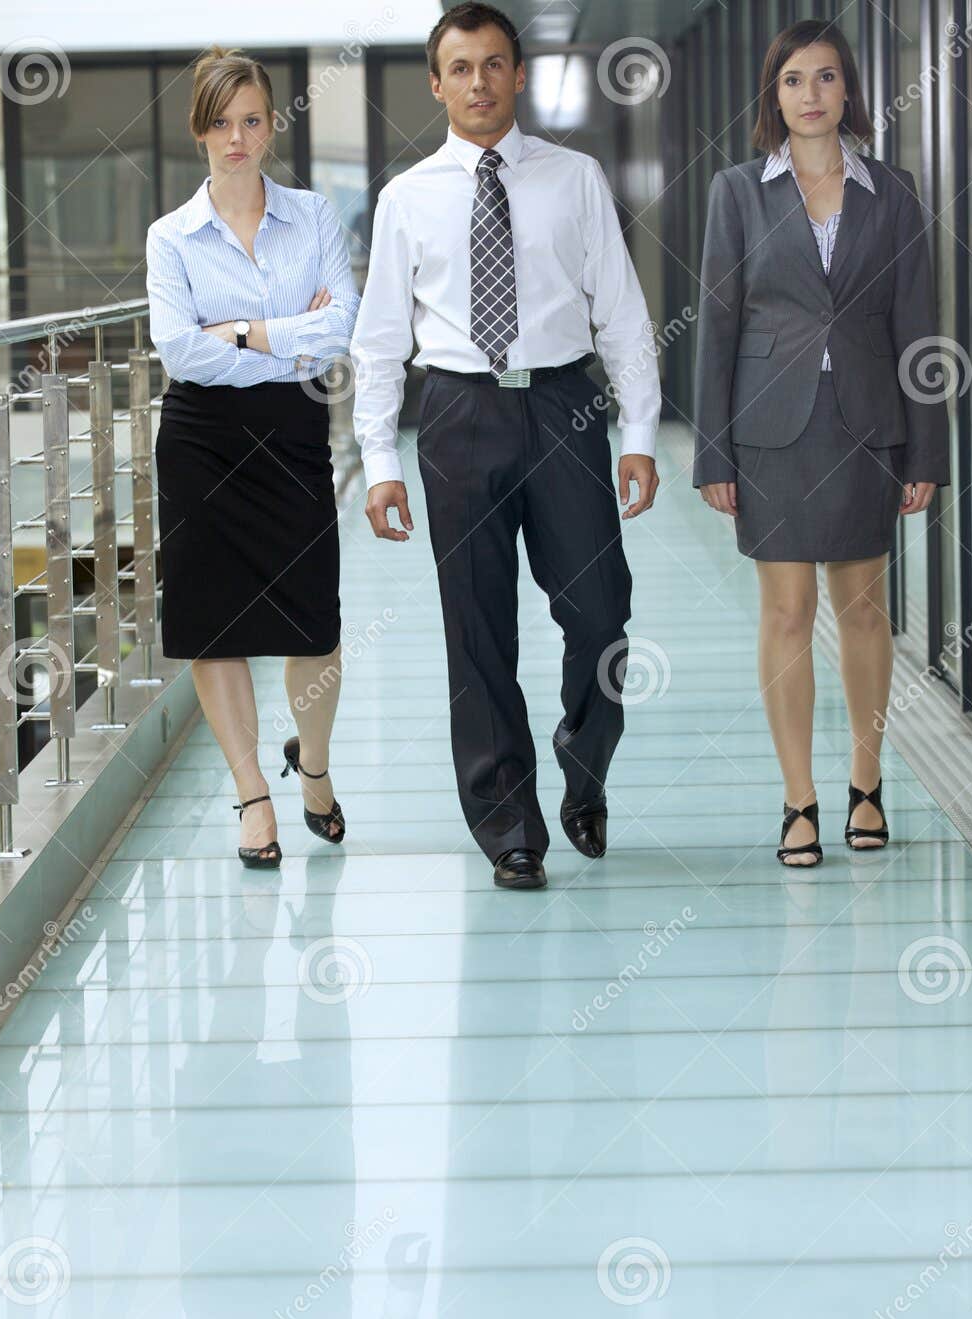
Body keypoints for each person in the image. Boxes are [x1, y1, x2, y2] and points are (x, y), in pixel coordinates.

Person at [349, 2, 661, 890]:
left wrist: (638, 433)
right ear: (437, 82)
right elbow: (377, 344)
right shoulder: (406, 199)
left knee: (600, 614)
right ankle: (510, 827)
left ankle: (584, 763)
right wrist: (378, 464)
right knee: (476, 630)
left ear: (518, 76)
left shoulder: (576, 178)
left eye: (494, 64)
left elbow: (625, 317)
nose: (478, 82)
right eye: (461, 67)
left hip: (564, 406)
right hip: (456, 414)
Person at [692, 18, 949, 867]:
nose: (811, 95)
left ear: (849, 92)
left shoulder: (895, 190)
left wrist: (927, 452)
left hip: (869, 425)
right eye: (794, 80)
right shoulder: (738, 191)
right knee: (786, 612)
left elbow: (920, 329)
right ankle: (798, 799)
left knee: (864, 611)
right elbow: (717, 328)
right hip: (770, 430)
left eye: (826, 78)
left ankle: (866, 785)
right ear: (775, 94)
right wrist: (713, 453)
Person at [147, 45, 359, 867]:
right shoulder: (173, 238)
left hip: (293, 436)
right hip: (200, 441)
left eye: (252, 120)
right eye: (222, 123)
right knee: (212, 627)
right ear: (200, 130)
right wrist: (285, 338)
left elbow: (336, 333)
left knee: (316, 626)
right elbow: (179, 354)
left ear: (271, 125)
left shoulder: (312, 218)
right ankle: (253, 799)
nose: (238, 138)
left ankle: (314, 765)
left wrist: (236, 330)